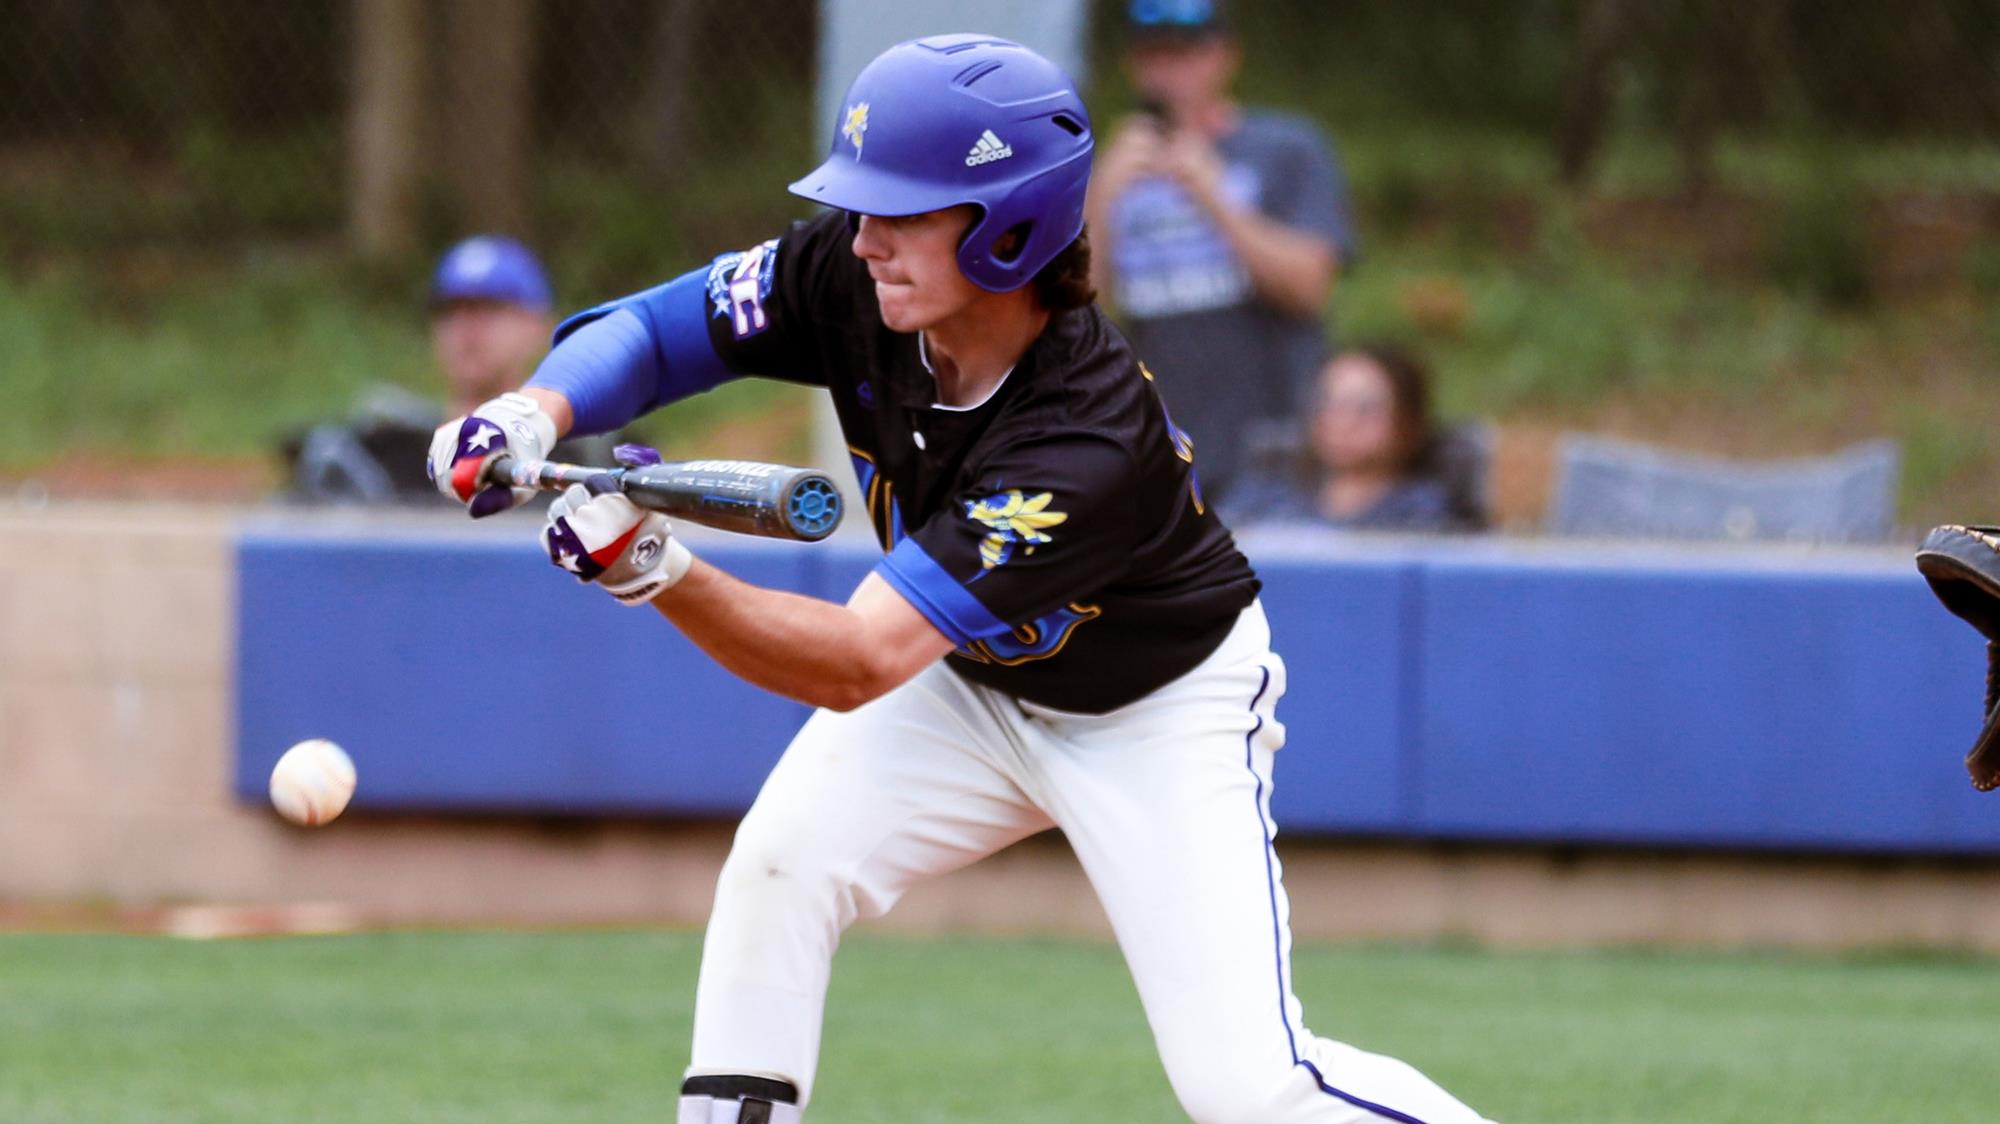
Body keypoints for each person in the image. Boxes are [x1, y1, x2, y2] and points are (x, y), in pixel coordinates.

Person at [428, 35, 1494, 1124]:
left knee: (1247, 1086)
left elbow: (855, 663)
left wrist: (652, 567)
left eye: (902, 209)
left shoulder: (1080, 439)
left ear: (1010, 228)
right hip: (969, 681)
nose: (867, 236)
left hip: (1151, 709)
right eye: (859, 204)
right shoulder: (848, 270)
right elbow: (652, 331)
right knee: (780, 869)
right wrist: (532, 410)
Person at [1085, 0, 1359, 504]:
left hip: (1274, 442)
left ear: (1225, 57)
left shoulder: (1286, 148)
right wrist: (1102, 193)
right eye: (1155, 56)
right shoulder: (1115, 165)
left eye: (1187, 54)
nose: (1169, 72)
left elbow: (1309, 287)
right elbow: (1079, 313)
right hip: (1157, 444)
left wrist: (1213, 194)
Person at [283, 236, 614, 503]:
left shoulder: (578, 463)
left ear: (540, 326)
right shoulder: (380, 462)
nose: (467, 328)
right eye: (452, 311)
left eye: (491, 309)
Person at [1229, 346, 1488, 533]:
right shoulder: (1267, 497)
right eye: (1329, 403)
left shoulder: (1425, 516)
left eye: (1365, 408)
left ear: (1407, 421)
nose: (1343, 421)